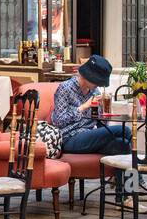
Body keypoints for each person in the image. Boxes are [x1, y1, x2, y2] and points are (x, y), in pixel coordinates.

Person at [49, 54, 141, 208]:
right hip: (70, 138)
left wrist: (103, 114)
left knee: (123, 144)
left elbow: (99, 124)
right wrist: (83, 107)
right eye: (96, 81)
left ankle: (125, 198)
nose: (98, 85)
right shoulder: (65, 88)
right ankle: (139, 181)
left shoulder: (95, 92)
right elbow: (58, 120)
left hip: (90, 136)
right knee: (125, 130)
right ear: (86, 76)